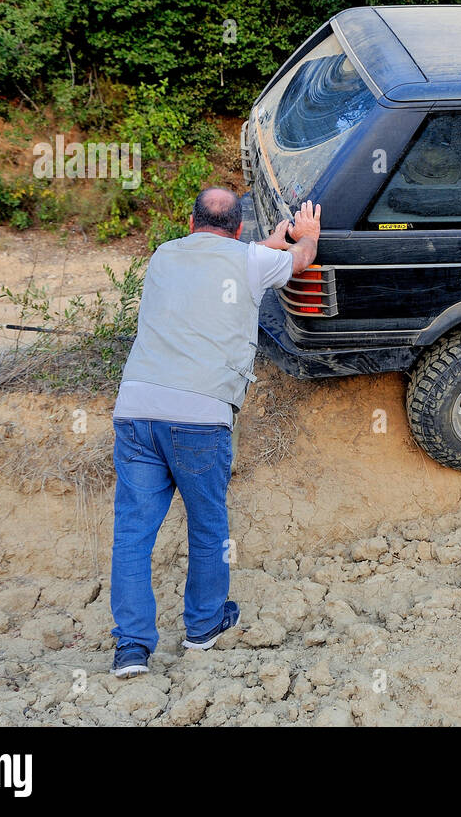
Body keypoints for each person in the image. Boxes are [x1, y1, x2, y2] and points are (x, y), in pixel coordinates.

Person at [108, 189, 321, 677]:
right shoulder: (249, 260)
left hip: (137, 410)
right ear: (240, 228)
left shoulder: (164, 254)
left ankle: (131, 649)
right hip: (200, 417)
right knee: (208, 527)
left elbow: (246, 256)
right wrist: (305, 237)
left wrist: (278, 239)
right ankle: (203, 627)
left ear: (190, 220)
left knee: (132, 535)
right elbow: (300, 261)